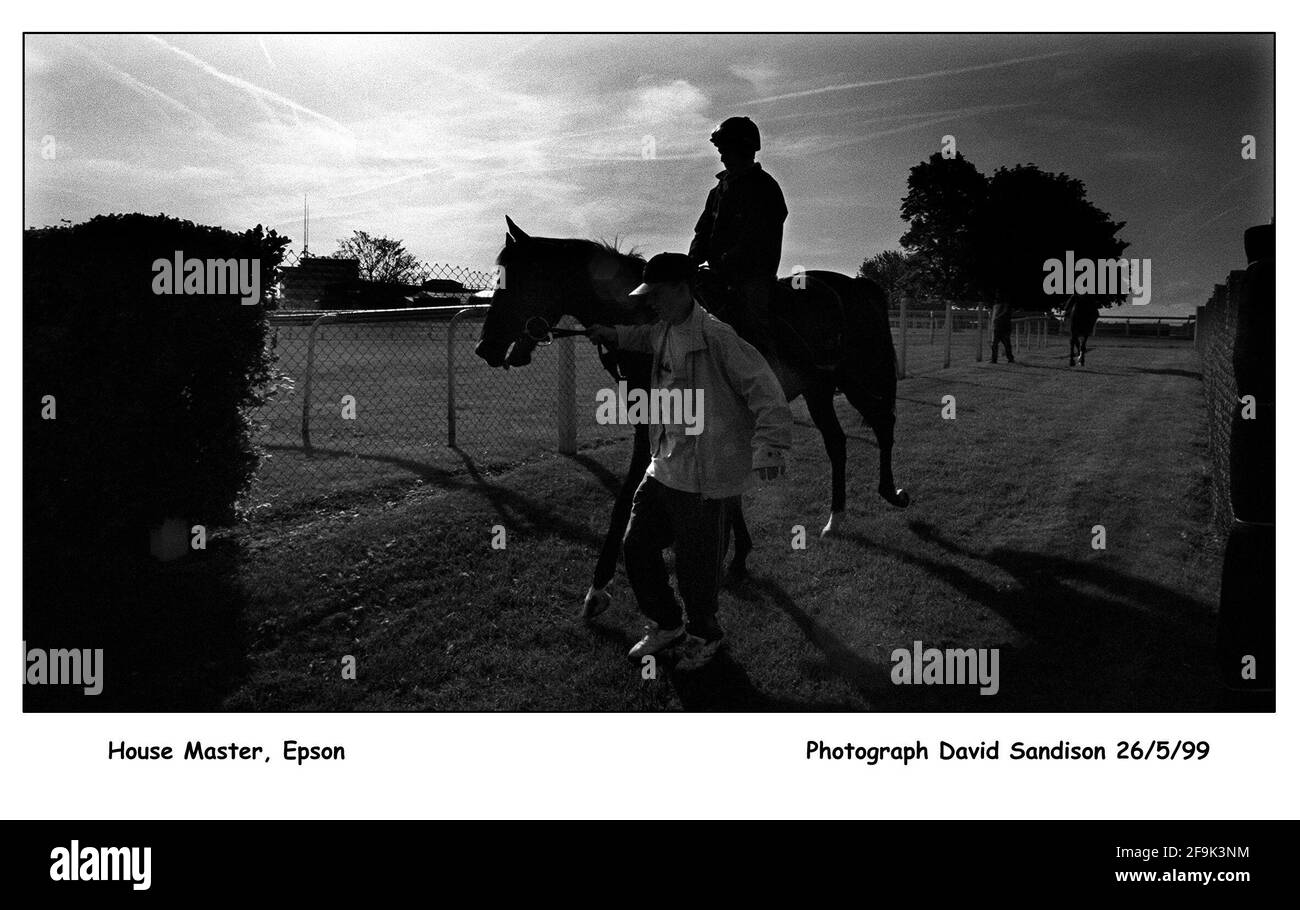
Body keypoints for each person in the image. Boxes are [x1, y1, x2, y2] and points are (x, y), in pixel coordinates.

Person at [587, 252, 792, 669]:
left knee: (696, 569)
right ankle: (667, 625)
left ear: (683, 289)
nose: (652, 302)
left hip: (704, 476)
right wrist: (610, 333)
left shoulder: (717, 337)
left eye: (658, 294)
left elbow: (766, 388)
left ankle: (705, 635)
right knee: (636, 546)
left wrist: (769, 445)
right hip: (662, 466)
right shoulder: (664, 329)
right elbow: (642, 337)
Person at [688, 116, 788, 356]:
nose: (721, 157)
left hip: (752, 276)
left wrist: (726, 262)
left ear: (742, 149)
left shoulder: (765, 187)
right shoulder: (717, 192)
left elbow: (759, 237)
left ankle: (769, 372)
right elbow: (702, 231)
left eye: (725, 150)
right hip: (719, 274)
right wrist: (690, 263)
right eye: (720, 151)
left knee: (754, 319)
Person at [990, 294, 1015, 363]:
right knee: (998, 344)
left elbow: (1004, 313)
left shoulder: (1005, 306)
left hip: (1003, 328)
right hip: (1000, 328)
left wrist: (996, 318)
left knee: (1005, 344)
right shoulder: (999, 306)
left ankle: (1009, 358)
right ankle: (994, 359)